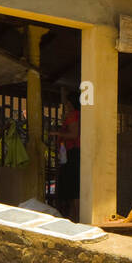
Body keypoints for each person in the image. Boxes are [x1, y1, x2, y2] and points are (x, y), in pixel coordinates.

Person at [51, 91, 82, 221]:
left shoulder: (73, 115)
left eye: (68, 103)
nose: (67, 105)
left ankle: (75, 215)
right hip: (73, 152)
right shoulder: (80, 115)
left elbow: (74, 134)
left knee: (73, 186)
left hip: (73, 152)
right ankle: (74, 215)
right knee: (73, 186)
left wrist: (57, 134)